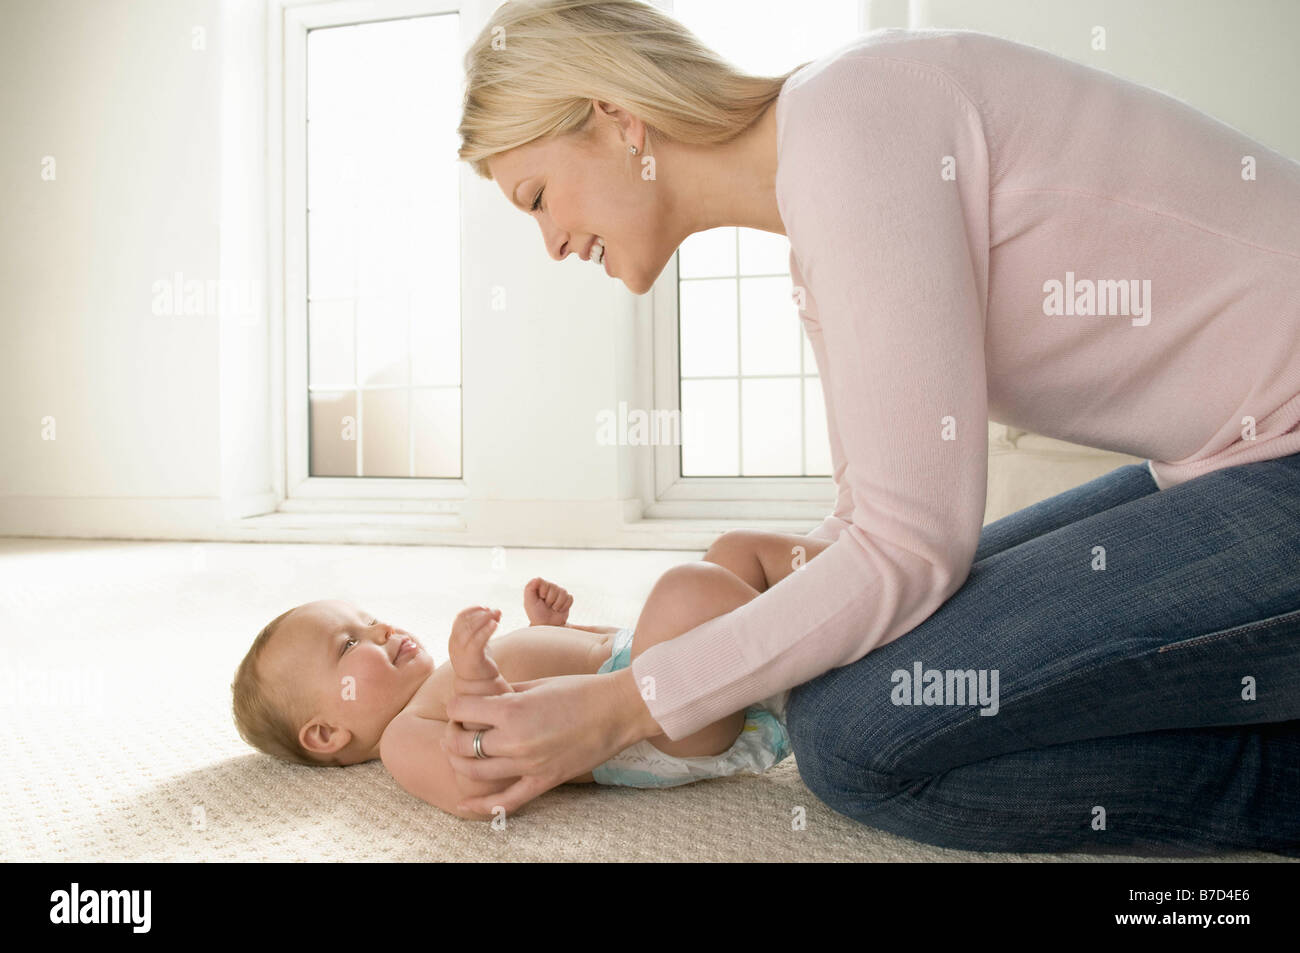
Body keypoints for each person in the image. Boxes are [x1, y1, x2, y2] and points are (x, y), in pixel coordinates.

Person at [447, 0, 1300, 853]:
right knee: (870, 671)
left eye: (536, 197)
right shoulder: (825, 175)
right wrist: (751, 613)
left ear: (617, 119)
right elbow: (867, 519)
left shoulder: (853, 127)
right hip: (1232, 460)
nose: (551, 244)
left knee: (859, 737)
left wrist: (620, 706)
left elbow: (910, 547)